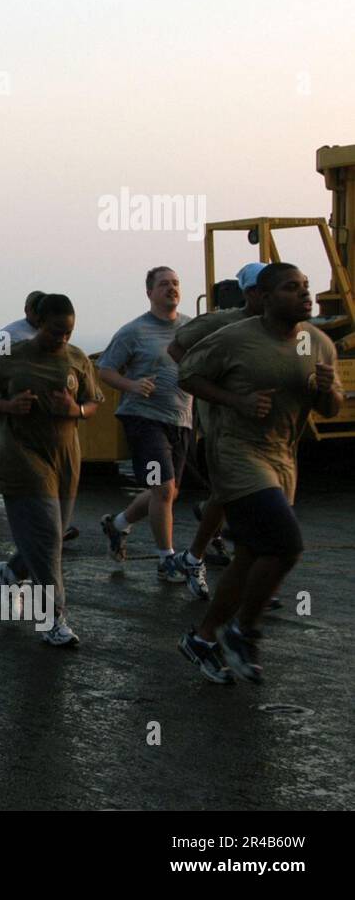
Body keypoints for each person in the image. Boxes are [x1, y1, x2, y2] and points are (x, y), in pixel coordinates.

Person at [176, 263, 342, 684]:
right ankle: (243, 630)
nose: (305, 295)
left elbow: (331, 408)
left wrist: (326, 390)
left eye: (306, 287)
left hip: (283, 458)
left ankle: (203, 637)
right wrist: (236, 401)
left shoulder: (317, 344)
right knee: (287, 545)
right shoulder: (235, 338)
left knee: (251, 555)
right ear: (265, 299)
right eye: (291, 288)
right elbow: (188, 373)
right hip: (236, 452)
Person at [0, 293, 100, 646]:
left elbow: (93, 404)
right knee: (46, 538)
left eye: (68, 333)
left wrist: (74, 409)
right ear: (39, 324)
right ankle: (52, 618)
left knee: (54, 535)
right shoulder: (12, 355)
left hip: (64, 455)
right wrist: (8, 405)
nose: (62, 339)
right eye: (56, 331)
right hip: (22, 455)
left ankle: (12, 570)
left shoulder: (76, 360)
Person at [97, 267, 197, 592]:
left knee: (166, 492)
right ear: (149, 292)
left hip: (180, 419)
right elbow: (105, 370)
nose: (171, 288)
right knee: (163, 490)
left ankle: (119, 524)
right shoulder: (134, 331)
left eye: (175, 283)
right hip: (143, 418)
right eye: (163, 284)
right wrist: (132, 385)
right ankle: (166, 559)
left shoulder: (190, 329)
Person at [166, 262, 265, 579]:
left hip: (268, 431)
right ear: (252, 293)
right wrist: (208, 381)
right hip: (226, 426)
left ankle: (196, 554)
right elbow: (176, 347)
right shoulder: (222, 322)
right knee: (250, 496)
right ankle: (251, 575)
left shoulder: (287, 330)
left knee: (230, 495)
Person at [0, 291, 45, 533]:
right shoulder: (11, 334)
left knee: (37, 464)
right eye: (37, 312)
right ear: (27, 311)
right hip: (10, 408)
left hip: (39, 409)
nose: (41, 317)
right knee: (14, 463)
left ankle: (46, 520)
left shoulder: (49, 332)